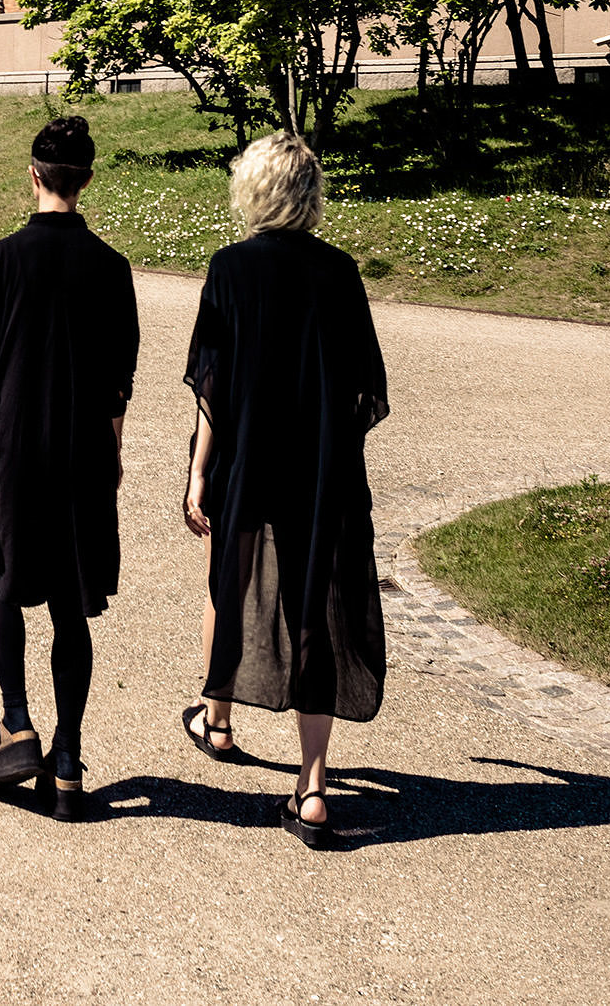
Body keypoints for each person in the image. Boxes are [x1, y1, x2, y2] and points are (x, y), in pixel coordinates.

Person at [179, 131, 390, 850]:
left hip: (247, 461)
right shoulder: (340, 272)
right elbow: (367, 391)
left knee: (227, 582)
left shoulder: (231, 269)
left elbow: (212, 386)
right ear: (310, 196)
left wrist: (199, 473)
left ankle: (219, 720)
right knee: (315, 615)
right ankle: (313, 788)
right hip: (321, 468)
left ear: (254, 190)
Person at [0, 114, 140, 822]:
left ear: (34, 176)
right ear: (86, 180)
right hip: (83, 451)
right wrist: (113, 450)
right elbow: (121, 377)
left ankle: (17, 718)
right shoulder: (113, 269)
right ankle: (68, 758)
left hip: (11, 446)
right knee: (69, 605)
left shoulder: (0, 261)